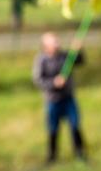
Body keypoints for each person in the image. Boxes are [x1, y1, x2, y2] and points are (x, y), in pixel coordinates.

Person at [32, 31, 87, 163]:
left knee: (75, 125)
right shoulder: (41, 60)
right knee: (53, 128)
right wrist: (53, 83)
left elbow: (80, 61)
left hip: (68, 97)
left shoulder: (65, 56)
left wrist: (78, 49)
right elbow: (38, 80)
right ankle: (52, 156)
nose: (57, 43)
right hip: (53, 100)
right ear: (45, 45)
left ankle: (80, 153)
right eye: (54, 41)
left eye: (57, 40)